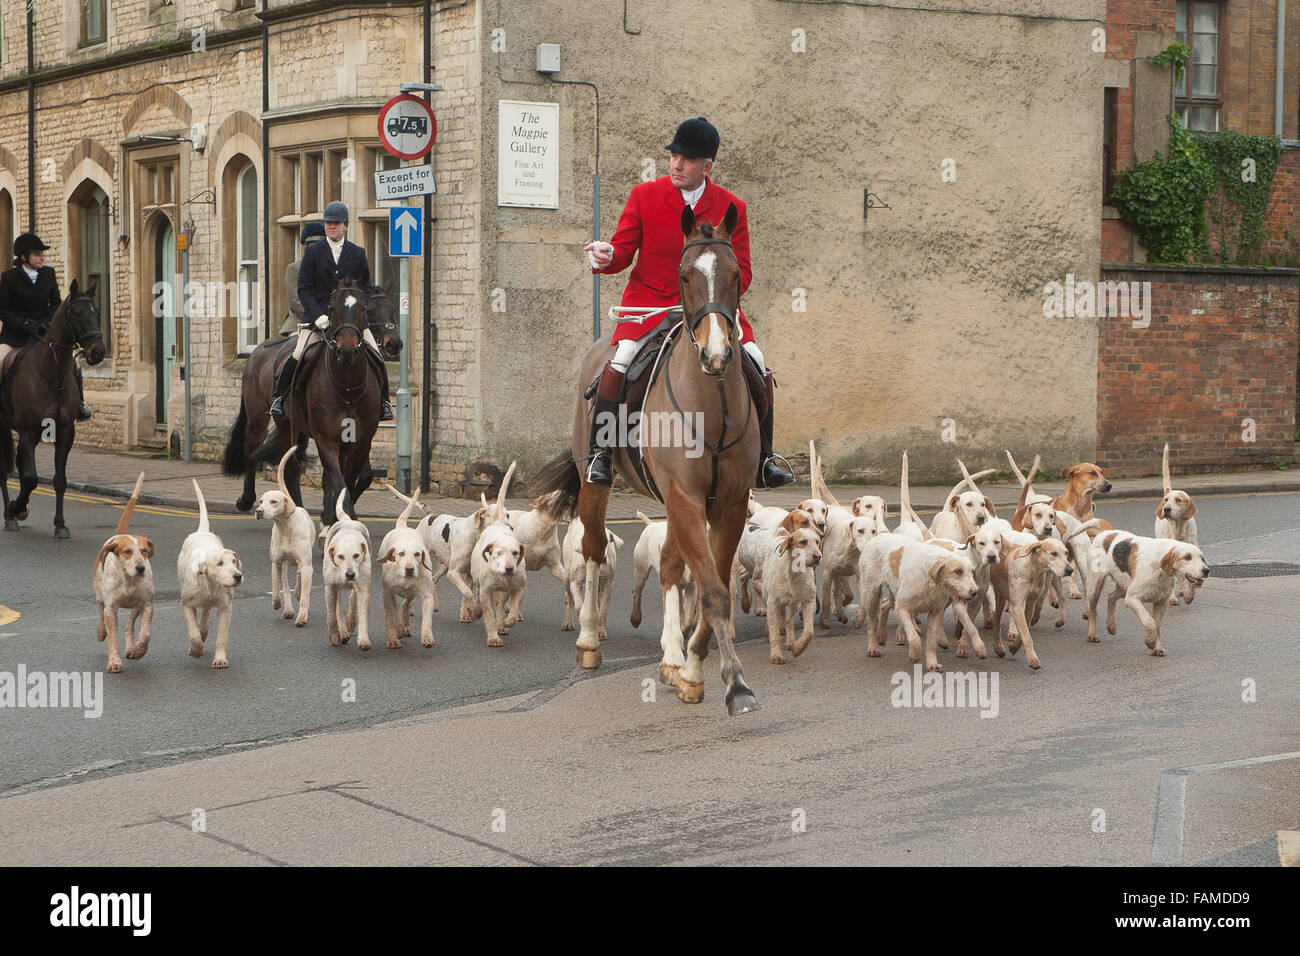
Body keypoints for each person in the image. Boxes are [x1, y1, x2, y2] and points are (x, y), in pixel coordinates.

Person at [582, 117, 792, 488]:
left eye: (687, 159)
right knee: (619, 363)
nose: (677, 164)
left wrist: (715, 294)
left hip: (710, 308)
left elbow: (742, 270)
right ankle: (602, 454)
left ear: (707, 166)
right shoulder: (643, 195)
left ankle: (764, 458)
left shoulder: (732, 206)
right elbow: (622, 253)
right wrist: (606, 255)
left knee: (758, 364)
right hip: (650, 306)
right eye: (674, 156)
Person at [269, 202, 394, 421]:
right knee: (298, 354)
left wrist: (358, 309)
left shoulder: (357, 253)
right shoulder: (314, 252)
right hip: (318, 321)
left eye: (336, 223)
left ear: (345, 225)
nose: (331, 227)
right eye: (328, 223)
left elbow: (366, 287)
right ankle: (280, 398)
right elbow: (304, 289)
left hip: (352, 322)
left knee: (376, 355)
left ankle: (384, 403)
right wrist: (318, 315)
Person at [0, 233, 92, 420]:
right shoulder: (9, 277)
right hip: (15, 339)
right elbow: (3, 311)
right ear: (24, 257)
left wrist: (45, 323)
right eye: (37, 254)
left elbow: (56, 304)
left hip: (43, 337)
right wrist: (23, 324)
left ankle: (80, 405)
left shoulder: (48, 274)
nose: (42, 257)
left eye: (42, 253)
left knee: (74, 364)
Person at [281, 221, 326, 335]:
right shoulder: (294, 269)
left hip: (328, 323)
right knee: (299, 351)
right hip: (300, 323)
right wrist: (318, 317)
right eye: (313, 245)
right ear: (305, 246)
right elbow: (296, 302)